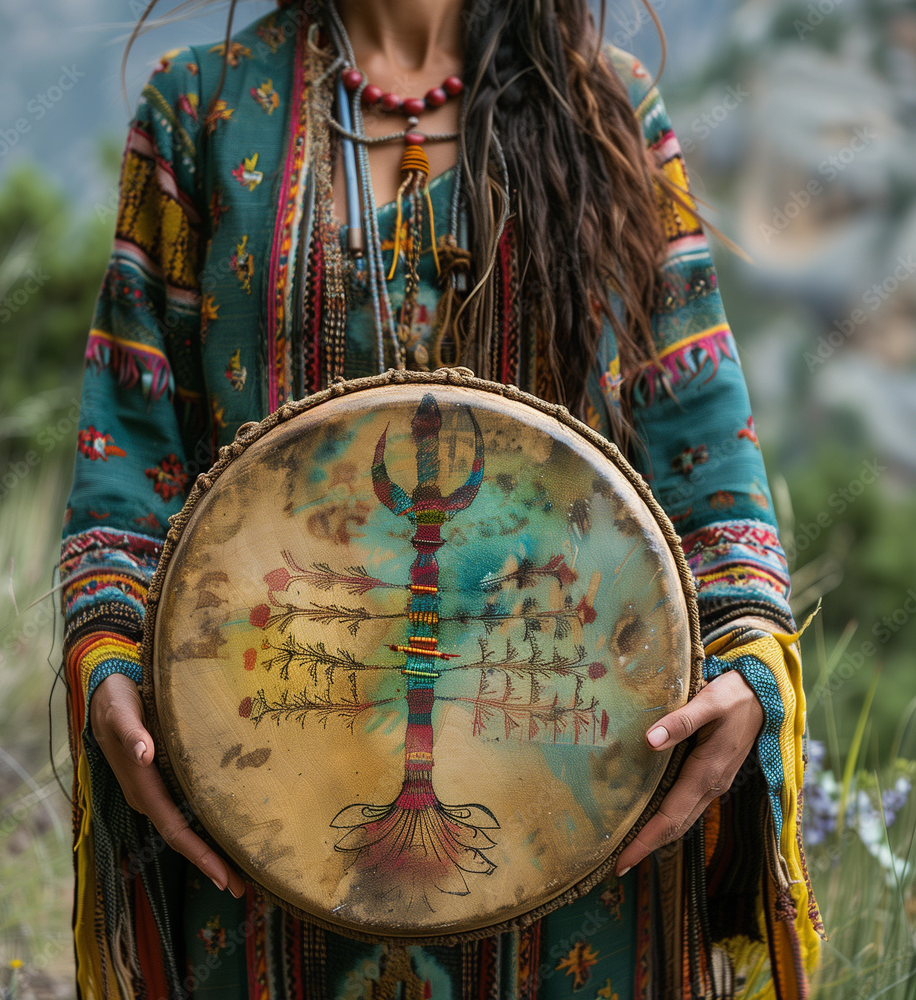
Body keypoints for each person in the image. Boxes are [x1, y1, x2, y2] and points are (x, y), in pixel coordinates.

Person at [58, 0, 824, 996]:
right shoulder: (198, 115)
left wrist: (745, 664)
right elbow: (130, 441)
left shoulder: (608, 116)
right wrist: (111, 649)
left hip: (580, 796)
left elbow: (701, 439)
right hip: (269, 796)